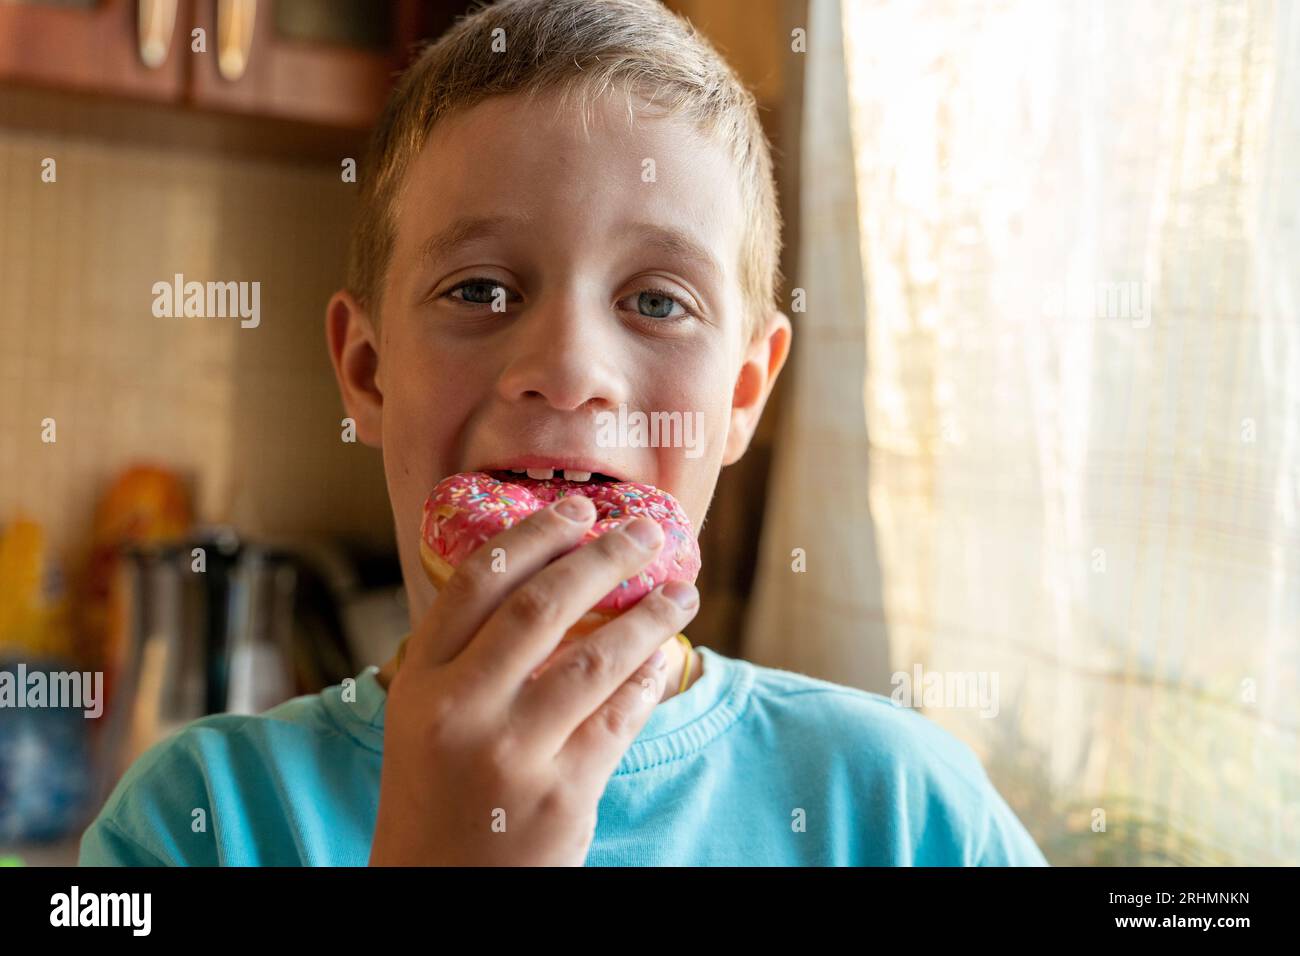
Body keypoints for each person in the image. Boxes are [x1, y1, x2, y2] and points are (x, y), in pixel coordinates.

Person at [80, 0, 1047, 866]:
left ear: (746, 391)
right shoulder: (199, 821)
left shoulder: (902, 810)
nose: (571, 371)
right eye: (482, 290)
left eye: (658, 302)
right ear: (368, 373)